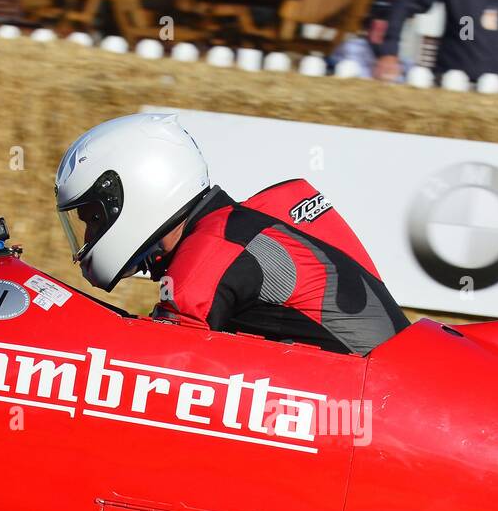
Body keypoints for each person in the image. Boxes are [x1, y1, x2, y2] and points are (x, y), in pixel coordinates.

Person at [54, 113, 409, 356]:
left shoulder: (209, 254)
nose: (89, 234)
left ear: (138, 189)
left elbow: (153, 372)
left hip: (386, 416)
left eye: (95, 218)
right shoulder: (237, 226)